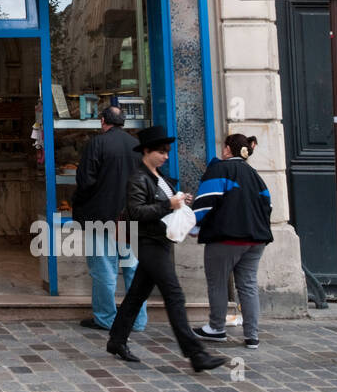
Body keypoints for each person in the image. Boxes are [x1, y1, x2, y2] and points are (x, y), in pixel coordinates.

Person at [105, 125, 226, 373]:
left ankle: (116, 340)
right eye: (161, 151)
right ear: (147, 151)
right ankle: (196, 354)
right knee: (174, 294)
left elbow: (162, 203)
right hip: (148, 243)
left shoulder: (158, 177)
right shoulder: (138, 178)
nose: (166, 155)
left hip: (159, 241)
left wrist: (180, 200)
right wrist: (168, 204)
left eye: (167, 151)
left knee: (137, 295)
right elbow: (136, 212)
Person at [191, 133, 273, 349]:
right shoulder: (255, 175)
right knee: (248, 285)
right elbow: (267, 206)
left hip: (225, 238)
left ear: (228, 149)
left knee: (217, 282)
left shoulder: (220, 169)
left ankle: (216, 328)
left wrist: (192, 226)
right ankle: (252, 335)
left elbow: (205, 202)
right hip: (256, 240)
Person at [71, 105, 146, 332]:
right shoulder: (136, 145)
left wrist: (80, 203)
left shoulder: (97, 143)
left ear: (103, 120)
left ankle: (106, 318)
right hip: (131, 217)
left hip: (102, 217)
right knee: (132, 269)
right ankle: (137, 320)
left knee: (104, 269)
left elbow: (85, 181)